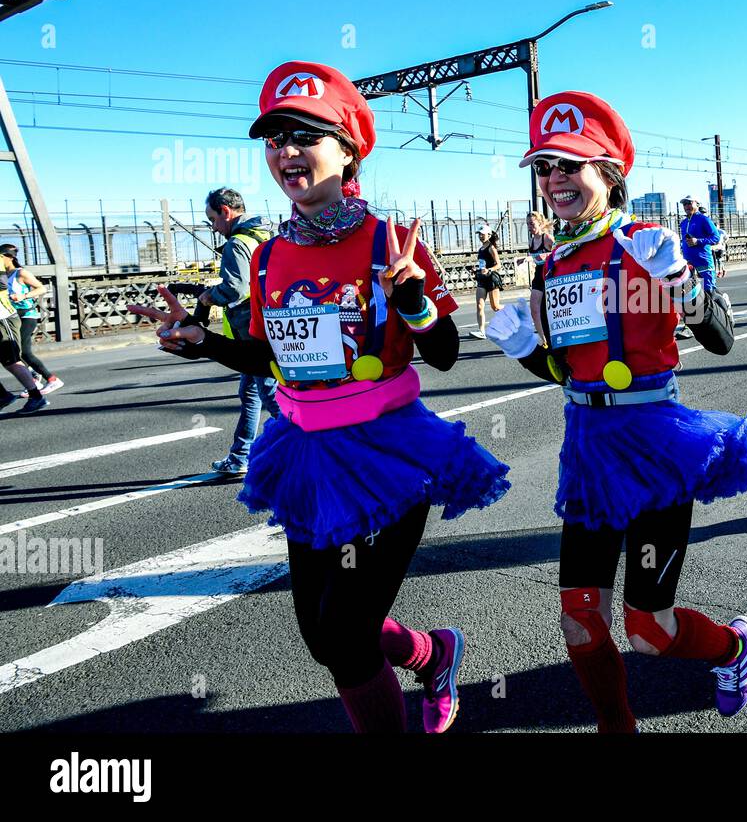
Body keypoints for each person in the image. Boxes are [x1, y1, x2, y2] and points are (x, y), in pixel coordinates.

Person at [129, 61, 510, 733]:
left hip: (388, 453)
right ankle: (431, 653)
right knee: (323, 639)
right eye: (274, 139)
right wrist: (203, 341)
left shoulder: (390, 243)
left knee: (343, 631)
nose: (284, 153)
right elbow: (269, 358)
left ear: (348, 149)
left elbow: (446, 353)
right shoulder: (269, 256)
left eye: (302, 135)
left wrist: (414, 300)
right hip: (304, 454)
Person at [486, 90, 747, 732]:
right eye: (545, 168)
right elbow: (566, 372)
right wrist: (527, 348)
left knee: (648, 630)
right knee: (580, 622)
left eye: (570, 166)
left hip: (655, 447)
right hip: (587, 449)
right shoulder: (552, 263)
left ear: (609, 174)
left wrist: (685, 285)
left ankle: (732, 645)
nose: (555, 180)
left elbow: (721, 338)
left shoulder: (646, 241)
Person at [198, 190, 278, 475]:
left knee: (271, 396)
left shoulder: (237, 243)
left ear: (225, 211)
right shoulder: (263, 237)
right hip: (270, 322)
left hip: (250, 330)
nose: (214, 227)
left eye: (213, 219)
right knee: (251, 393)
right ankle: (240, 456)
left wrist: (210, 296)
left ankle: (312, 450)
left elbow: (235, 289)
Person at [0, 244, 62, 394]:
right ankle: (33, 380)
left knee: (23, 352)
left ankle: (52, 379)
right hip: (12, 315)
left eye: (2, 257)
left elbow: (42, 288)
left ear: (10, 258)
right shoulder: (3, 274)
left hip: (27, 315)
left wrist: (23, 296)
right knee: (16, 352)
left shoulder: (21, 273)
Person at [0, 281, 47, 414]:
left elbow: (2, 284)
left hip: (3, 319)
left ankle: (36, 397)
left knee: (12, 362)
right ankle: (2, 396)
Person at [678, 196, 722, 291]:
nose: (686, 206)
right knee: (691, 296)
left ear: (697, 204)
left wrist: (697, 241)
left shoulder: (704, 219)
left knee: (709, 292)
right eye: (684, 204)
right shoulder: (683, 223)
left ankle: (722, 303)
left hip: (704, 262)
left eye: (689, 203)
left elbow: (716, 237)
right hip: (689, 264)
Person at [470, 224, 502, 339]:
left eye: (483, 235)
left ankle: (513, 313)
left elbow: (498, 264)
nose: (481, 237)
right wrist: (476, 270)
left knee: (496, 307)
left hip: (492, 279)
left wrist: (489, 269)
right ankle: (482, 331)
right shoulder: (481, 249)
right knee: (479, 305)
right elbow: (482, 264)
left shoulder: (491, 248)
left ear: (489, 235)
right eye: (479, 234)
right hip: (482, 279)